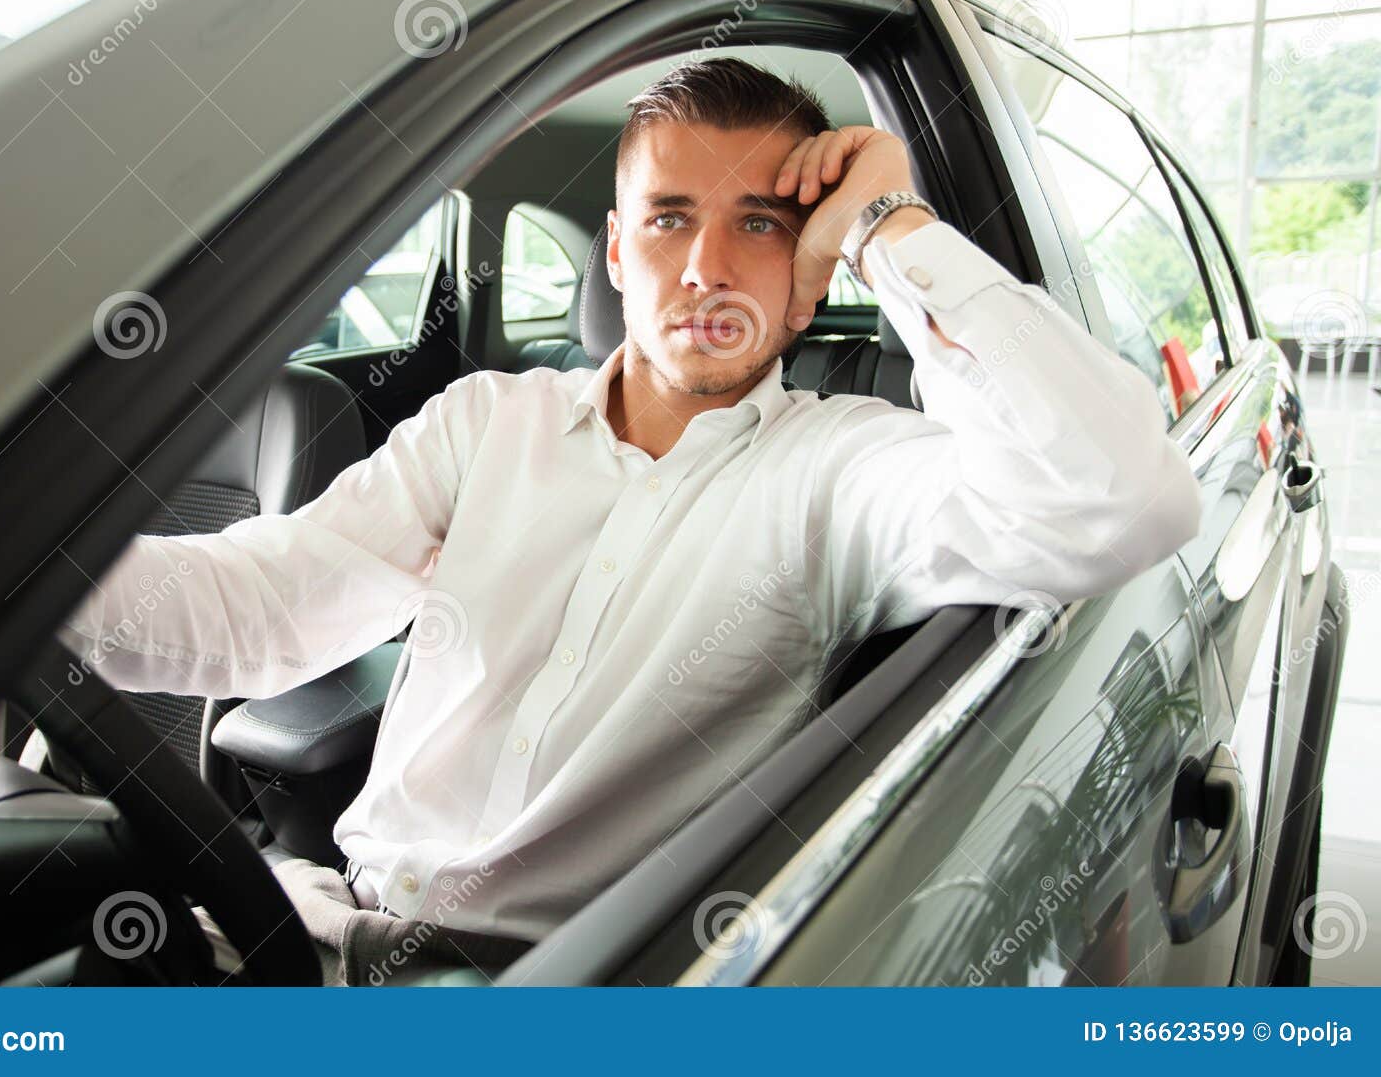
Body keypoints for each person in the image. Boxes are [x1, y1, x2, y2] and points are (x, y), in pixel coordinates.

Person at [59, 57, 1203, 985]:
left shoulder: (844, 470)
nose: (705, 266)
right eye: (668, 218)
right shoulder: (485, 421)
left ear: (812, 275)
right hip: (311, 921)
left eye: (759, 224)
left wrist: (887, 223)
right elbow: (263, 605)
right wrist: (16, 588)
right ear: (615, 251)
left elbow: (1124, 498)